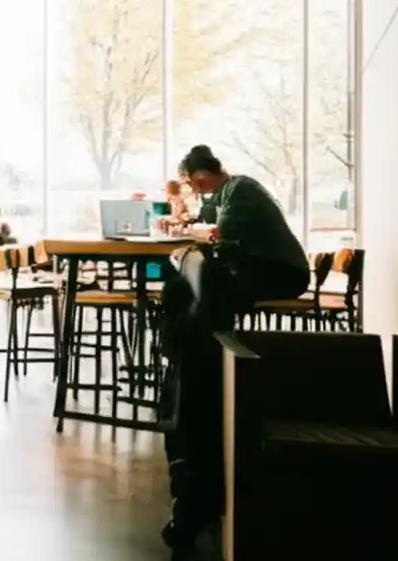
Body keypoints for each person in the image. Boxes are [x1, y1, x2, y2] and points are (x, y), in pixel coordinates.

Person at [159, 145, 309, 556]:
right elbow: (202, 223)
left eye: (193, 181)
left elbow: (217, 232)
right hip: (256, 267)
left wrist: (193, 227)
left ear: (202, 175)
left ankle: (200, 357)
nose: (195, 188)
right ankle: (196, 355)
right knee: (195, 291)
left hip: (283, 273)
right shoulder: (224, 195)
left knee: (207, 292)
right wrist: (187, 218)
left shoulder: (241, 190)